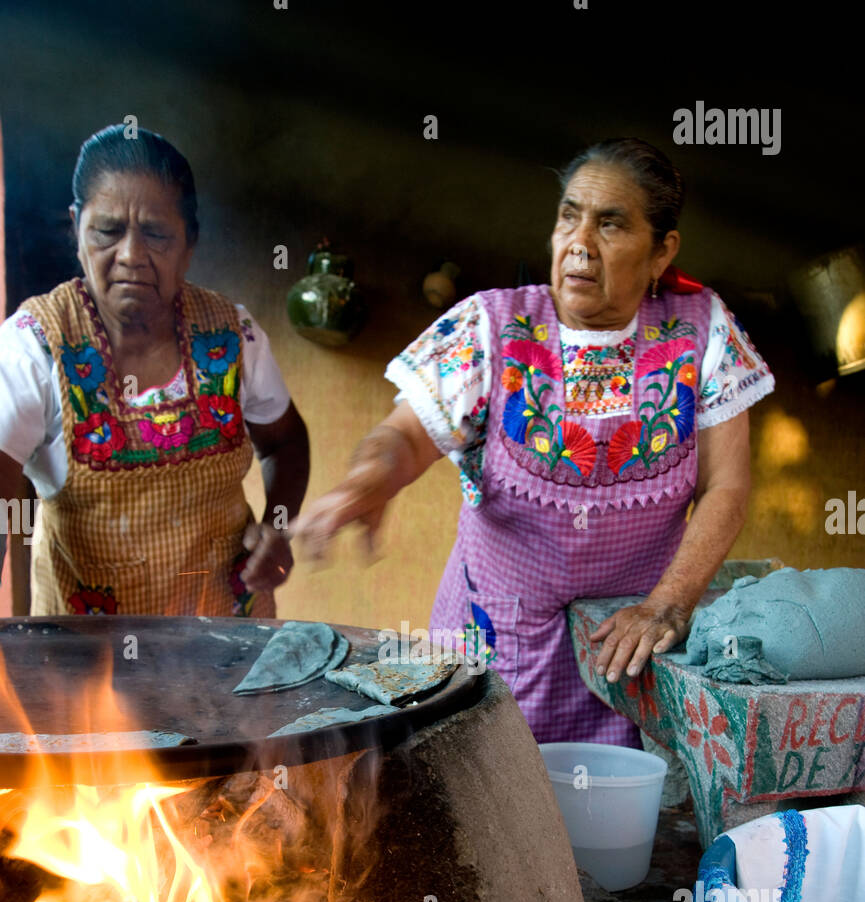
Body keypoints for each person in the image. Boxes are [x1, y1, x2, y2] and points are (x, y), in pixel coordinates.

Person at [291, 138, 775, 745]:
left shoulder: (700, 332)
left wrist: (667, 606)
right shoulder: (492, 326)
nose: (579, 242)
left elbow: (726, 483)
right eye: (569, 216)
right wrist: (363, 485)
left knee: (607, 822)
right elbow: (404, 438)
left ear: (661, 251)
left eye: (611, 224)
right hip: (493, 650)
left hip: (625, 658)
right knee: (486, 810)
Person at [0, 124, 308, 618]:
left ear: (190, 242)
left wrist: (277, 525)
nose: (131, 256)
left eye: (157, 234)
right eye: (108, 230)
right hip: (87, 662)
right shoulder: (33, 347)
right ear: (77, 229)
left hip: (226, 643)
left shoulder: (232, 336)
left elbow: (286, 442)